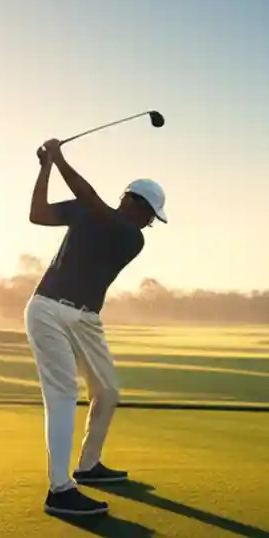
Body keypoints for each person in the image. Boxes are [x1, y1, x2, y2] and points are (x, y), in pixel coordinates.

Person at [25, 138, 167, 517]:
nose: (151, 224)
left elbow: (93, 203)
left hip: (87, 318)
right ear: (135, 202)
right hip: (46, 310)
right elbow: (38, 214)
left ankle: (88, 466)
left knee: (107, 390)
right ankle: (60, 490)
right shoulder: (90, 210)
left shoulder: (130, 237)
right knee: (63, 392)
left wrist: (58, 159)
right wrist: (45, 167)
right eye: (151, 214)